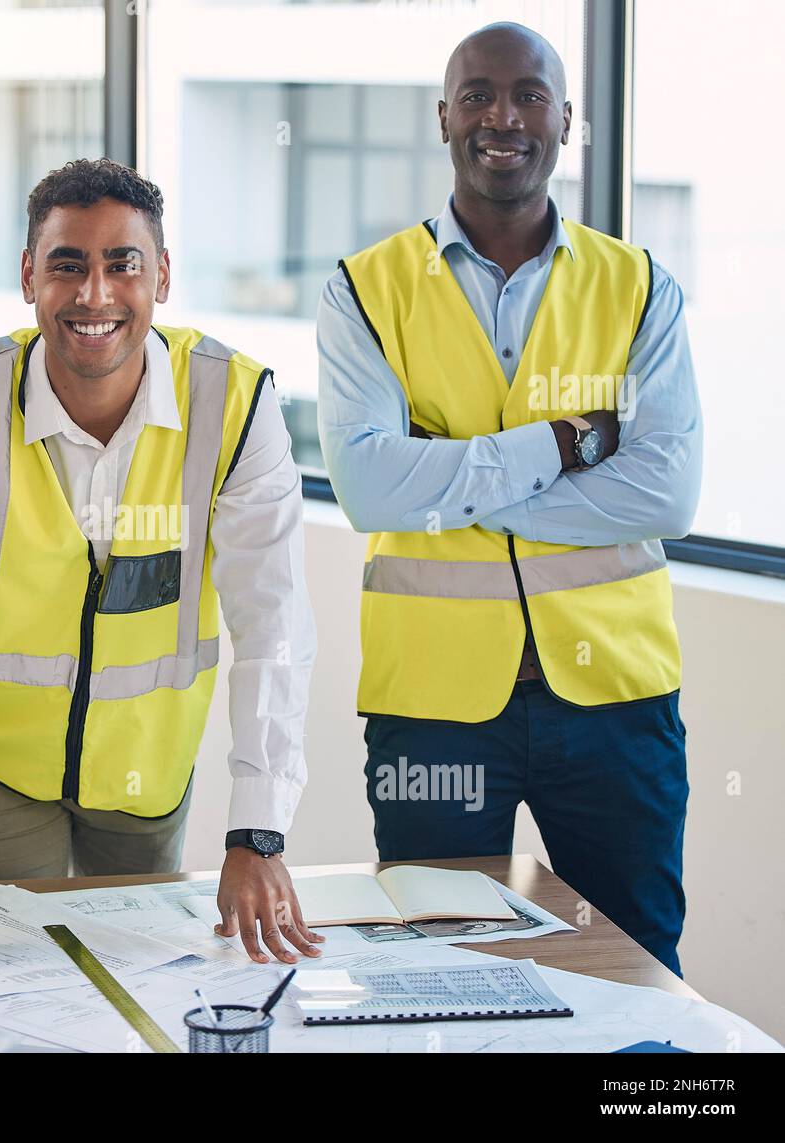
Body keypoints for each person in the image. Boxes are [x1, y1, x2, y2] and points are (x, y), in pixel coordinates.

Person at [0, 158, 323, 977]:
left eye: (125, 264)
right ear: (28, 277)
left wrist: (258, 830)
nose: (95, 294)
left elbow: (275, 626)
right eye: (67, 264)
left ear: (164, 276)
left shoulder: (237, 403)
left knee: (137, 991)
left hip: (146, 781)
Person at [317, 23, 701, 975]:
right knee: (442, 973)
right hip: (434, 706)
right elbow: (367, 485)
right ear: (443, 116)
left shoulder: (640, 287)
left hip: (615, 701)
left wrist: (450, 484)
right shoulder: (363, 291)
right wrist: (564, 446)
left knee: (639, 966)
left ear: (566, 118)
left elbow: (668, 487)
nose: (504, 116)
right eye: (479, 94)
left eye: (530, 94)